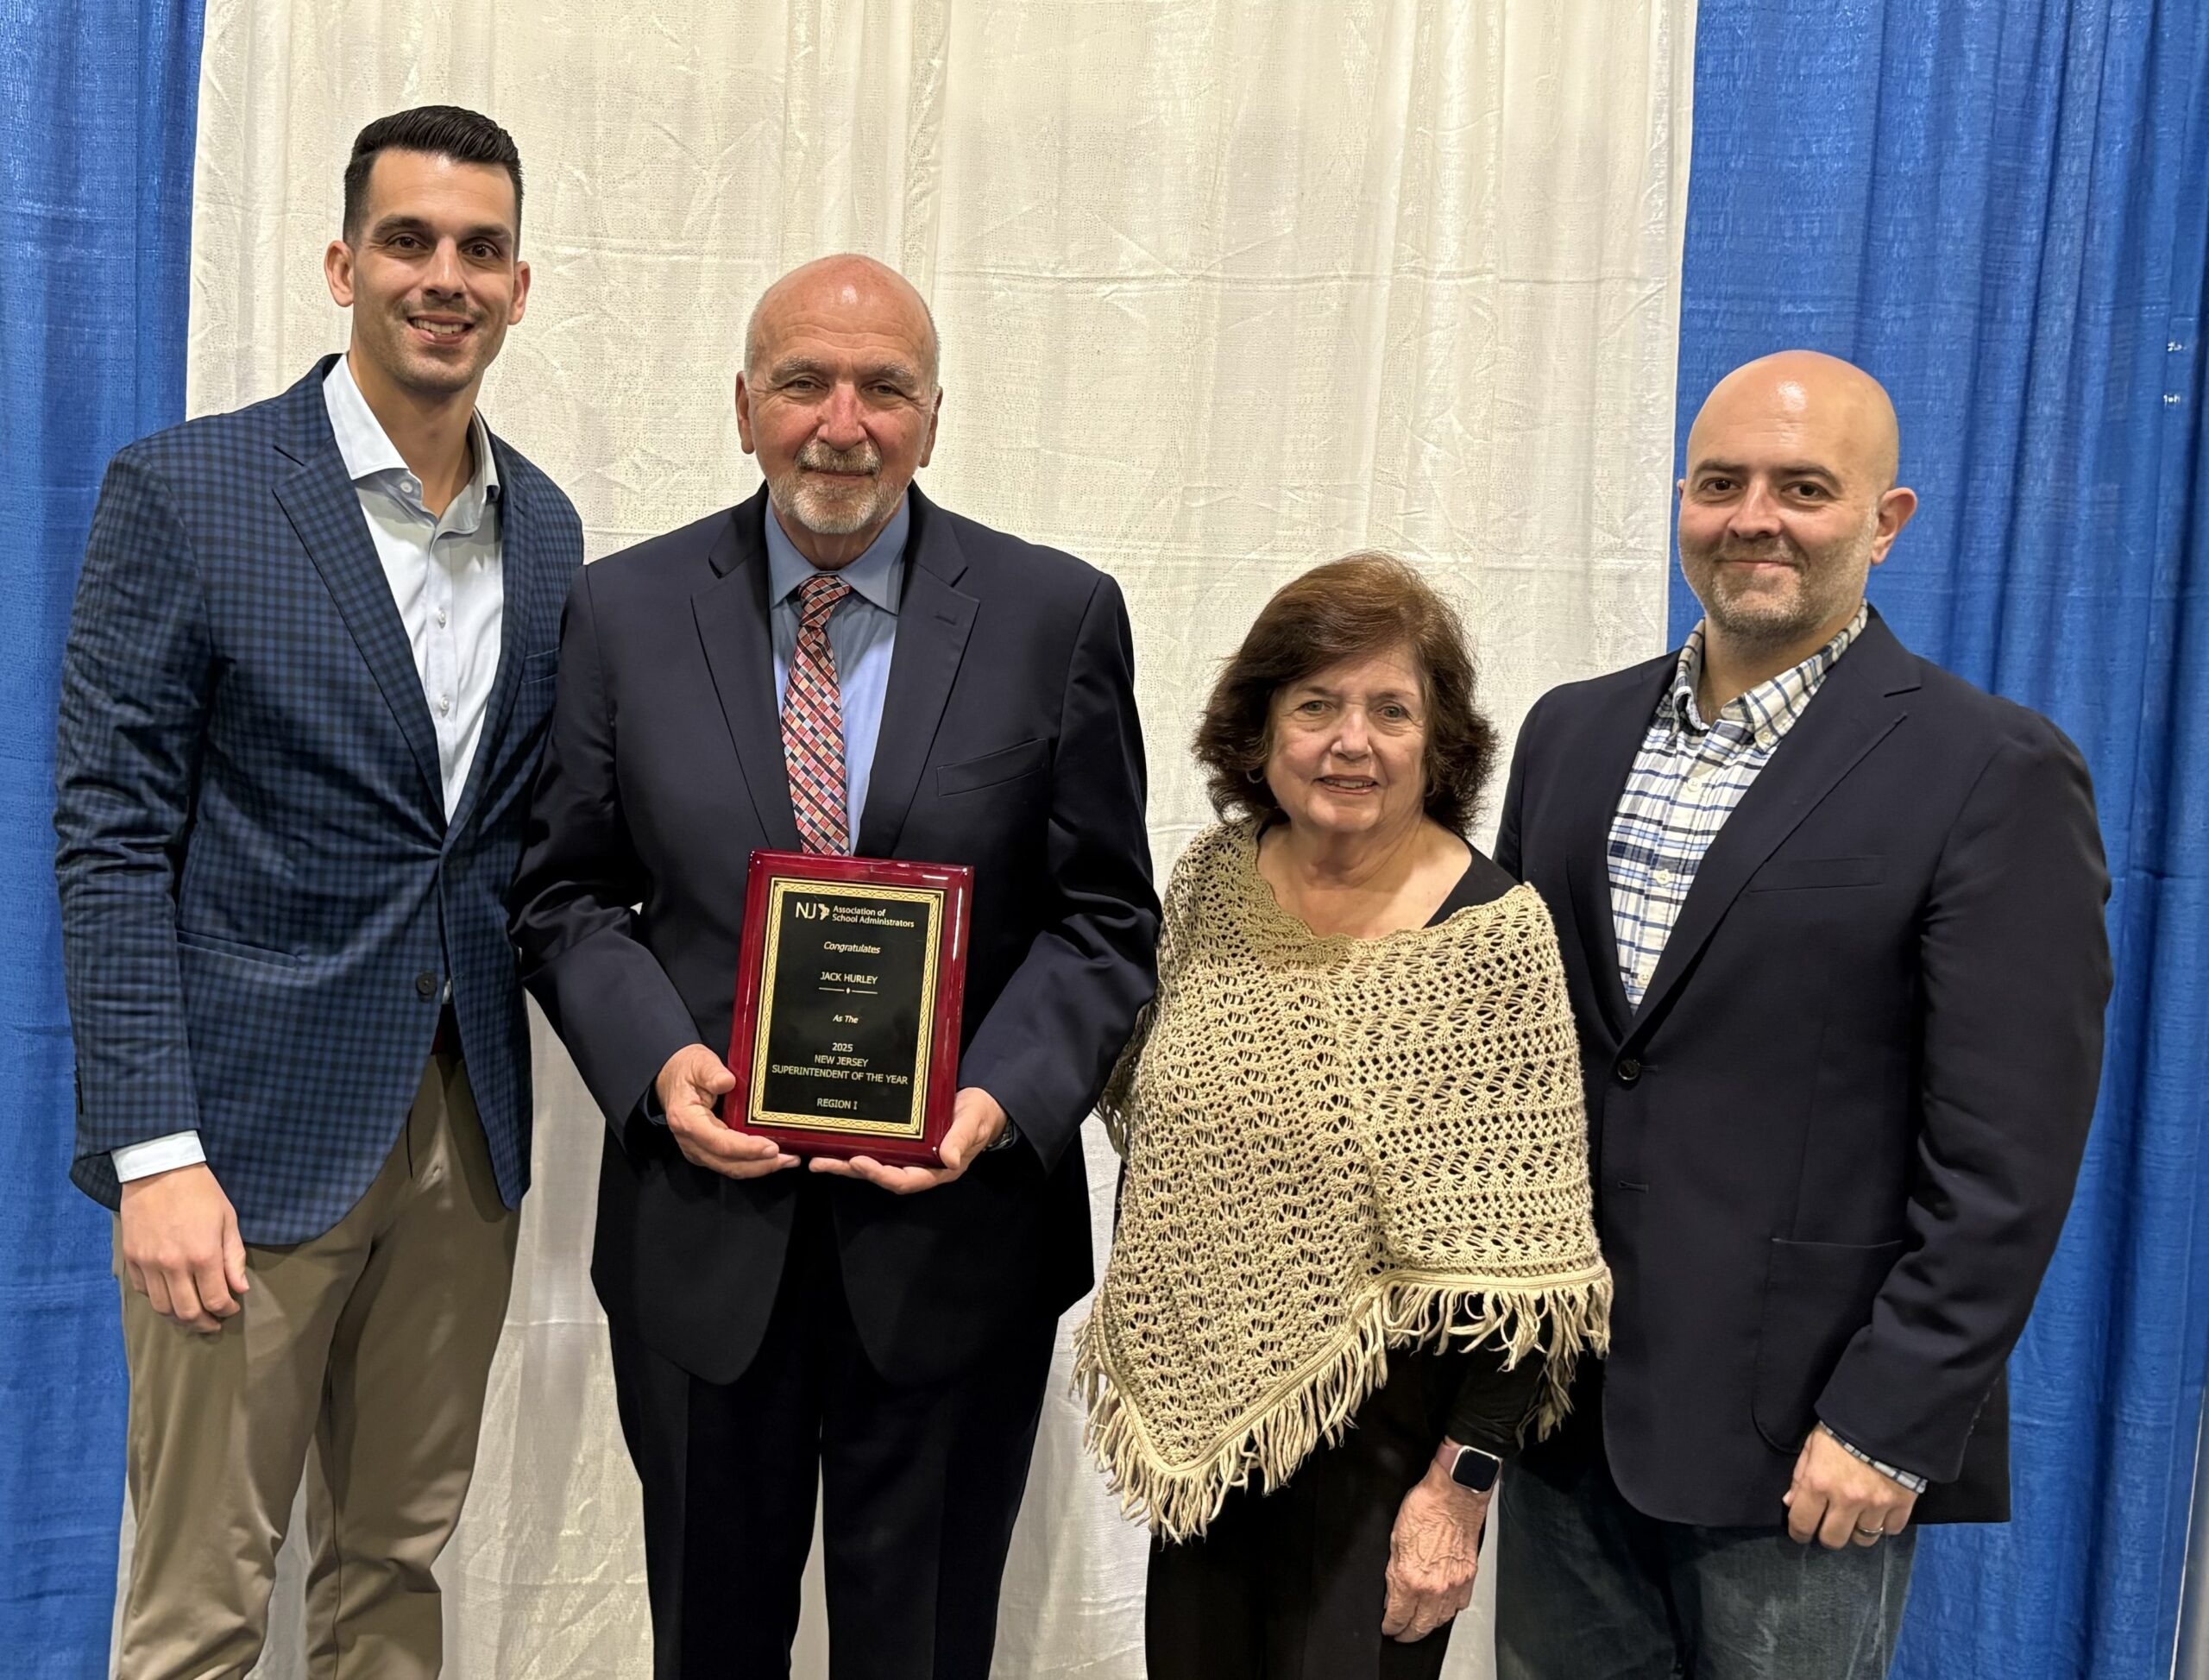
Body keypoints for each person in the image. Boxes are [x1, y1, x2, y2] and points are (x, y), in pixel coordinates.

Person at [508, 253, 1158, 1680]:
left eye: (884, 388)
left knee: (921, 1652)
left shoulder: (1057, 618)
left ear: (935, 417)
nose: (840, 421)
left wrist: (995, 1098)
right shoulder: (625, 611)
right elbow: (563, 894)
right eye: (803, 382)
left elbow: (1105, 918)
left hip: (954, 1242)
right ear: (744, 406)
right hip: (700, 1243)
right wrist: (660, 1069)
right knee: (709, 1646)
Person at [53, 106, 582, 1677]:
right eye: (410, 241)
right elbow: (109, 837)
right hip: (241, 1153)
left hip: (461, 1134)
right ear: (344, 263)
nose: (446, 276)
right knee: (202, 1605)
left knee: (392, 1571)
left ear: (520, 284)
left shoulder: (545, 531)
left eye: (480, 248)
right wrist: (155, 1151)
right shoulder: (189, 492)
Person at [1490, 350, 2111, 1679]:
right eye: (1721, 484)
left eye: (1804, 488)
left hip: (1806, 1447)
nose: (1753, 517)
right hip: (1562, 1414)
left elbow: (2009, 1158)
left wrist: (1892, 1419)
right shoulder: (1568, 737)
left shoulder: (1990, 771)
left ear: (1887, 523)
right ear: (1681, 502)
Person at [1076, 554, 1611, 1680]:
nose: (1348, 741)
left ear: (1440, 741)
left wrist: (1457, 1494)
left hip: (1387, 1458)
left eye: (1388, 709)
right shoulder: (1213, 888)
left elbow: (1532, 1274)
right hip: (1216, 1429)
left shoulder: (1492, 938)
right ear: (1260, 729)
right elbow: (1163, 1142)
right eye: (1314, 704)